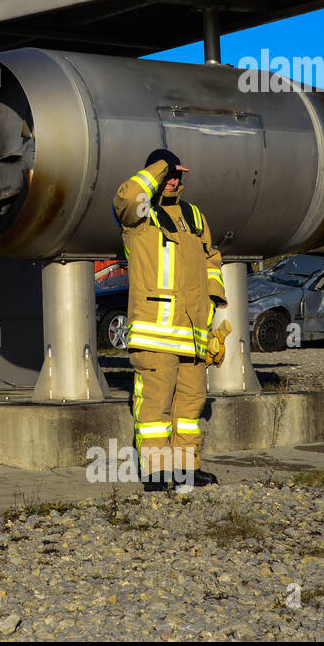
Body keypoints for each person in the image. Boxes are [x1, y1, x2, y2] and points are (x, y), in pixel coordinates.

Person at [112, 148, 226, 492]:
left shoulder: (194, 215)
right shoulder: (139, 215)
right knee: (155, 407)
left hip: (193, 334)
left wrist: (213, 302)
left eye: (178, 174)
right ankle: (156, 472)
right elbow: (127, 196)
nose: (174, 179)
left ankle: (187, 469)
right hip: (155, 333)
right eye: (169, 174)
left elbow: (211, 258)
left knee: (190, 407)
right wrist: (160, 166)